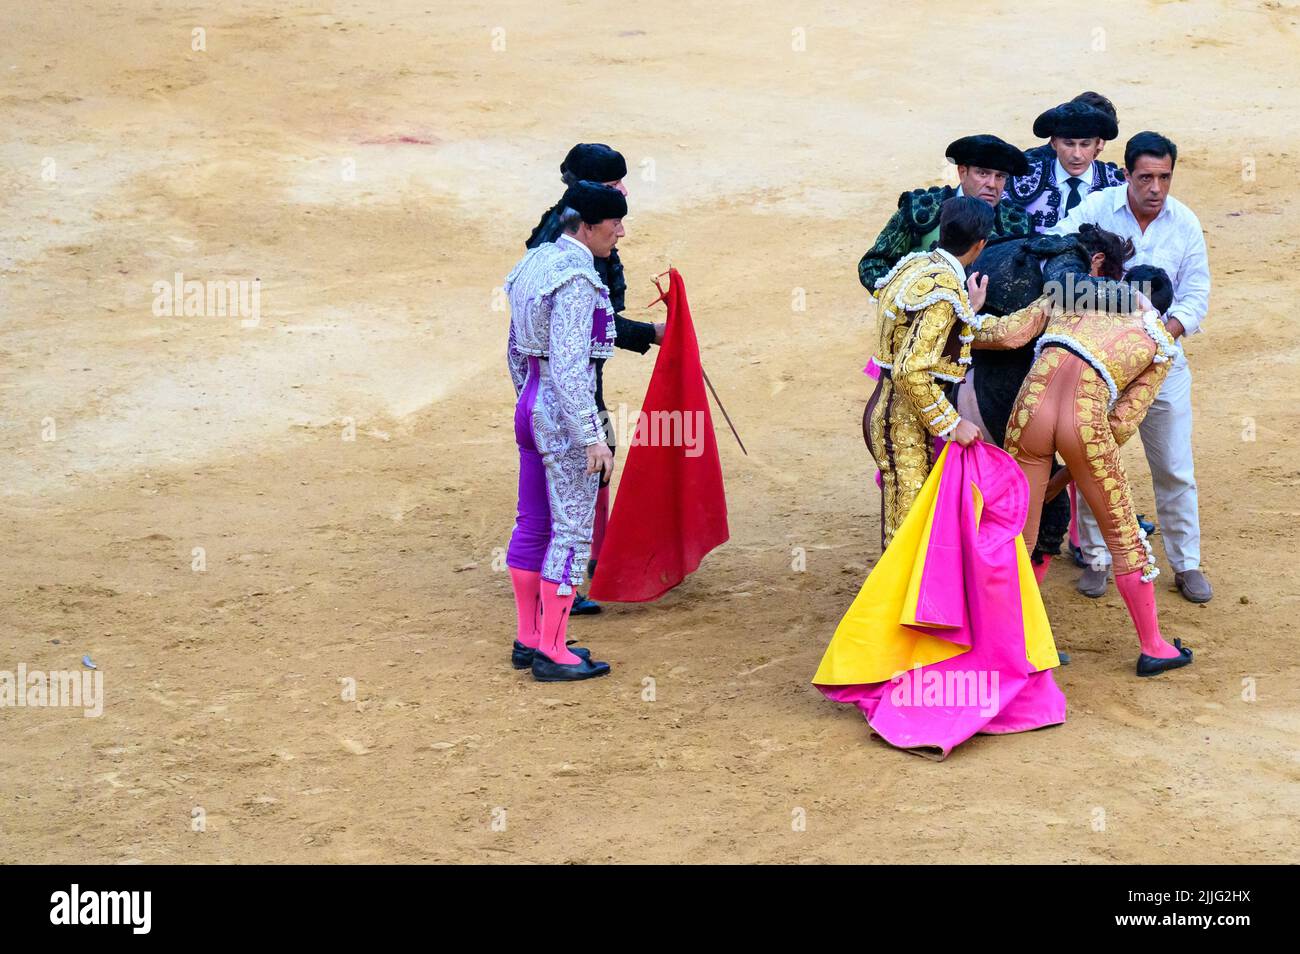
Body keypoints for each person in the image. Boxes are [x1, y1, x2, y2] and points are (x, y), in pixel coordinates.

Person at [974, 266, 1193, 675]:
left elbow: (1006, 335)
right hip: (1086, 421)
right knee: (1124, 535)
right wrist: (1065, 477)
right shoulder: (1159, 340)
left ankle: (1008, 646)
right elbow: (1121, 424)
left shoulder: (1073, 294)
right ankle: (1154, 647)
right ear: (1160, 312)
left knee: (1015, 533)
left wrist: (969, 313)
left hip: (1029, 408)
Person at [1049, 132, 1212, 603]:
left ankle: (1186, 563)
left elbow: (1196, 294)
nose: (1156, 187)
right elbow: (1056, 248)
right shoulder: (1098, 208)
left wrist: (1164, 335)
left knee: (1175, 467)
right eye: (1145, 177)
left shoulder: (1185, 223)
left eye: (1164, 177)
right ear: (1126, 175)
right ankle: (1096, 558)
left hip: (1163, 363)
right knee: (1091, 461)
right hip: (1103, 365)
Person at [526, 143, 665, 615]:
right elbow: (587, 327)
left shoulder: (562, 233)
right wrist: (652, 333)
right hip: (567, 380)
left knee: (557, 487)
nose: (621, 194)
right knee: (585, 468)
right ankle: (575, 574)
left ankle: (585, 565)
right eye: (610, 187)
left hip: (542, 385)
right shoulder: (572, 253)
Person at [961, 224, 1135, 581]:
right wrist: (1137, 299)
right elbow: (1057, 303)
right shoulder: (1069, 264)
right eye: (1108, 277)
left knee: (980, 499)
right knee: (1042, 509)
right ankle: (1013, 607)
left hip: (959, 385)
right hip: (999, 396)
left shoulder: (1013, 245)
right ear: (1097, 261)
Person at [505, 181, 628, 682]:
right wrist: (590, 434)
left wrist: (527, 403)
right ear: (586, 225)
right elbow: (574, 368)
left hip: (531, 404)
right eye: (614, 224)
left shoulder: (533, 264)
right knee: (572, 531)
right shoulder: (578, 280)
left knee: (532, 522)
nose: (619, 233)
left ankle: (529, 636)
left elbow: (515, 346)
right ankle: (553, 649)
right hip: (563, 413)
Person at [864, 196, 991, 548]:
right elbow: (910, 370)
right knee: (909, 532)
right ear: (980, 245)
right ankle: (903, 604)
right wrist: (951, 424)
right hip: (905, 417)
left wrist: (968, 307)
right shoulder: (944, 290)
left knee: (908, 523)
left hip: (890, 407)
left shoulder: (917, 264)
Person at [857, 135, 1030, 292]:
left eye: (1000, 176)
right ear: (962, 172)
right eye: (982, 173)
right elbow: (873, 264)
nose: (992, 184)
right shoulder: (920, 209)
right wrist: (908, 300)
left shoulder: (1019, 223)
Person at [1009, 100, 1126, 233]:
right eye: (1069, 144)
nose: (1077, 154)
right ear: (1053, 143)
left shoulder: (1118, 184)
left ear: (1097, 144)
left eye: (1085, 144)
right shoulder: (1022, 178)